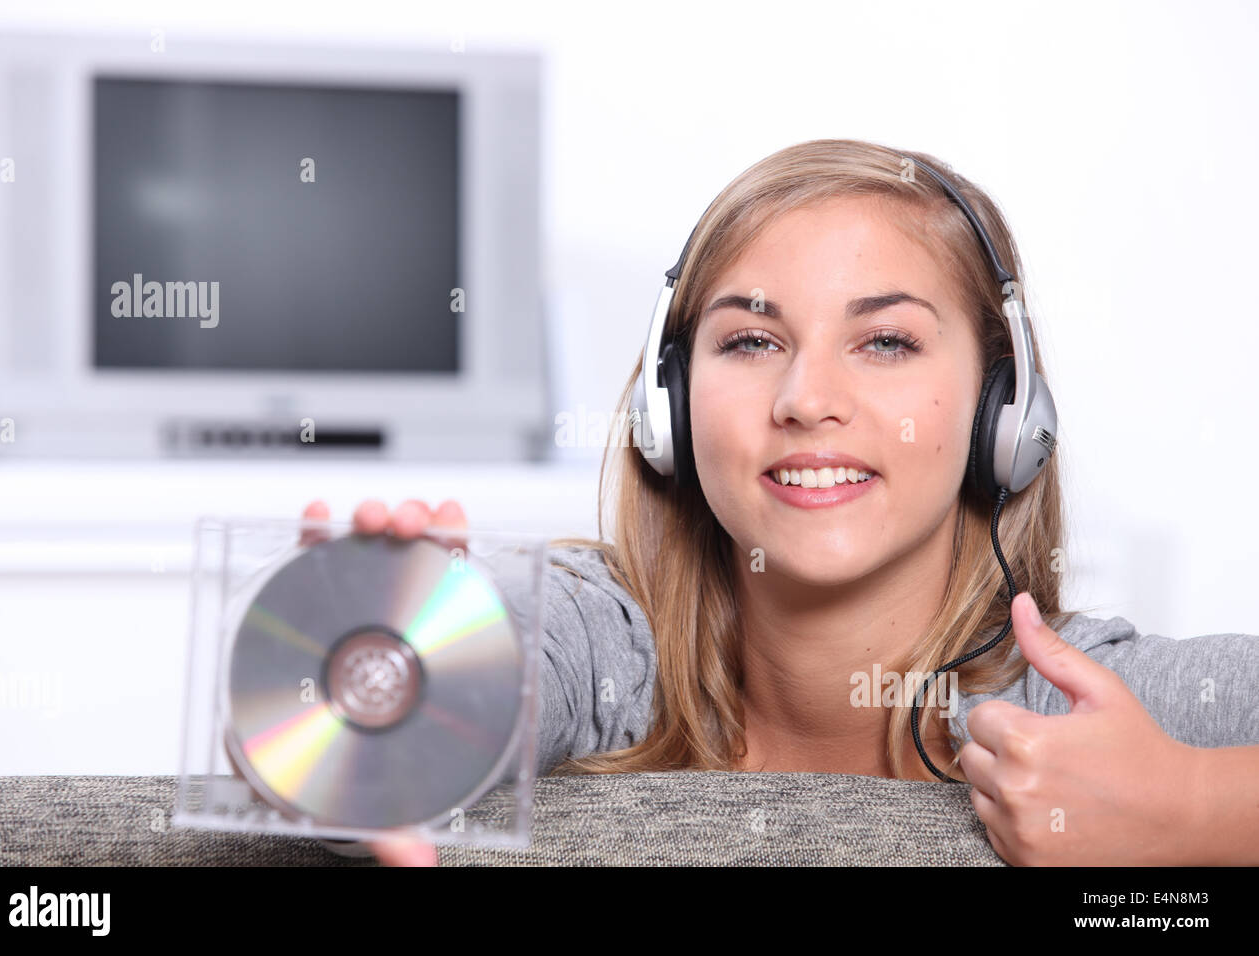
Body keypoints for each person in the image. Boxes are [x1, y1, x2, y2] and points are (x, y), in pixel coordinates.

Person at [311, 139, 1259, 866]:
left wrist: (1191, 805)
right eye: (752, 342)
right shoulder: (607, 647)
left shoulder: (1087, 707)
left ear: (1004, 413)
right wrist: (387, 655)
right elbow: (493, 661)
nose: (807, 398)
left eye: (885, 341)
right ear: (667, 411)